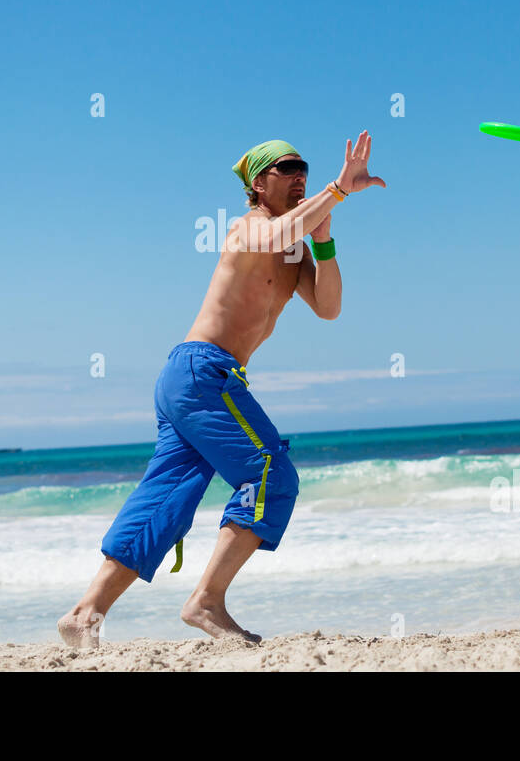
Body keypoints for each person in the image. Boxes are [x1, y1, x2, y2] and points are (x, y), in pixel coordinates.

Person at [58, 131, 385, 646]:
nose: (300, 174)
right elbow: (277, 236)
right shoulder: (248, 227)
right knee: (271, 474)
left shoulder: (292, 247)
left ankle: (85, 614)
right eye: (288, 168)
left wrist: (324, 237)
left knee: (166, 498)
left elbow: (329, 307)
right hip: (202, 371)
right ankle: (206, 602)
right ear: (259, 183)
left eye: (304, 167)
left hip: (190, 380)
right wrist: (336, 191)